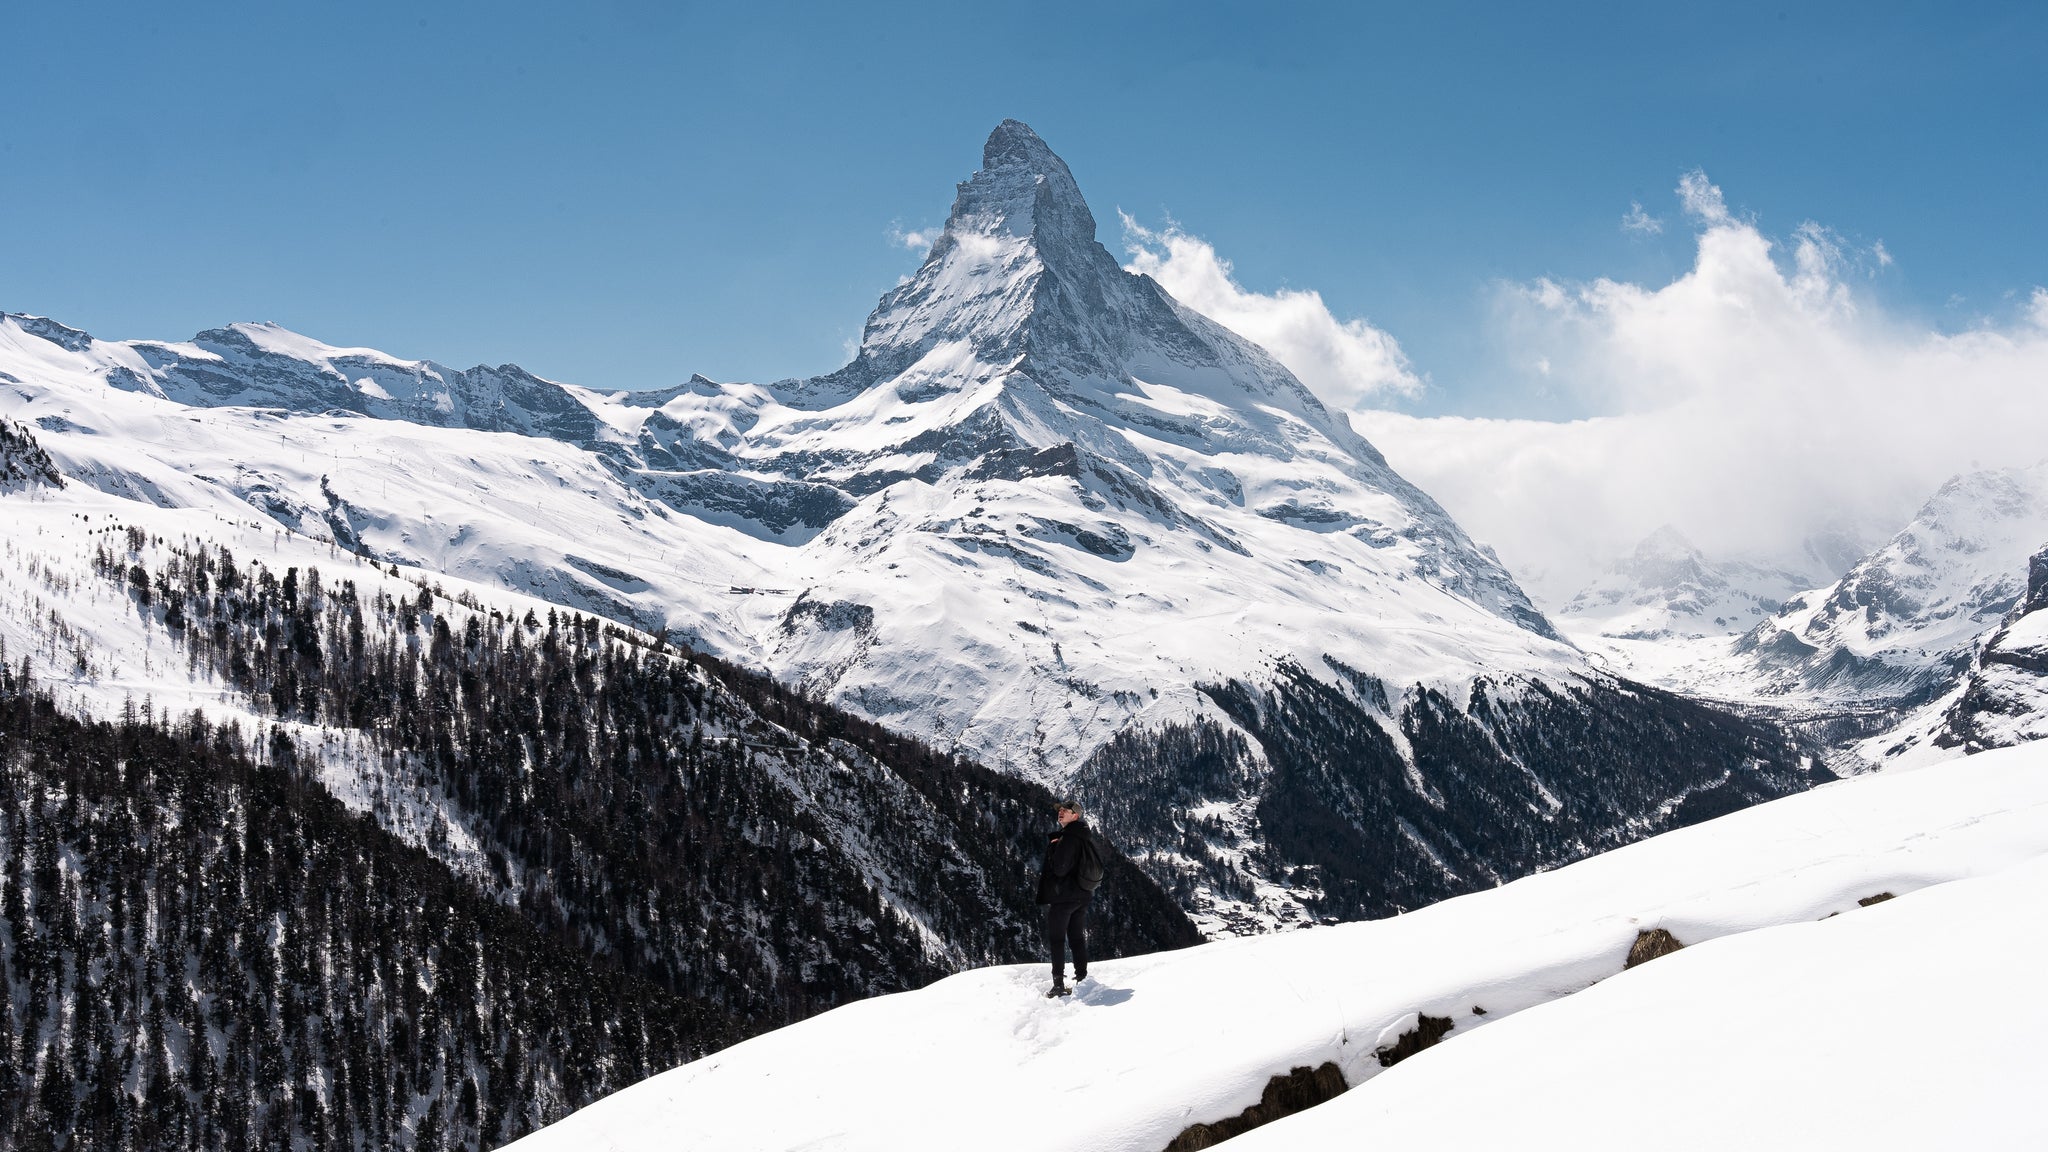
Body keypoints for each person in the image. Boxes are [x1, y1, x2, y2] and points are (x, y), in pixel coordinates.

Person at [1037, 799, 1095, 997]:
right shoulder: (1083, 835)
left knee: (1057, 939)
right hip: (1082, 895)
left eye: (1065, 811)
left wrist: (1054, 848)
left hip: (1064, 897)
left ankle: (1058, 985)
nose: (1060, 812)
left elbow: (1060, 869)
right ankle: (1082, 977)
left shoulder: (1068, 838)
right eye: (1060, 810)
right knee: (1077, 937)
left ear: (1075, 816)